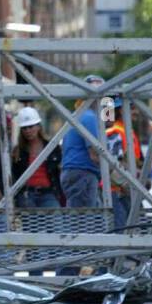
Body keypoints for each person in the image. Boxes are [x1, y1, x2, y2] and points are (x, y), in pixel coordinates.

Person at [60, 74, 105, 210]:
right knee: (84, 221)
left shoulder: (78, 115)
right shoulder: (89, 117)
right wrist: (116, 172)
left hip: (73, 173)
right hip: (83, 173)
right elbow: (94, 154)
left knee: (82, 218)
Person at [11, 107, 63, 208]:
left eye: (31, 126)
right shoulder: (18, 151)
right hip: (26, 195)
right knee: (31, 223)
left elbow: (59, 171)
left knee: (57, 222)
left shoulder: (52, 147)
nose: (28, 131)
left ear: (39, 126)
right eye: (24, 128)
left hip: (49, 194)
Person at [105, 98, 142, 231]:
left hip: (126, 189)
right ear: (122, 110)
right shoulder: (115, 132)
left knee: (132, 230)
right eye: (132, 108)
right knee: (121, 231)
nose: (136, 112)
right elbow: (113, 167)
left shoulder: (127, 132)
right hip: (118, 190)